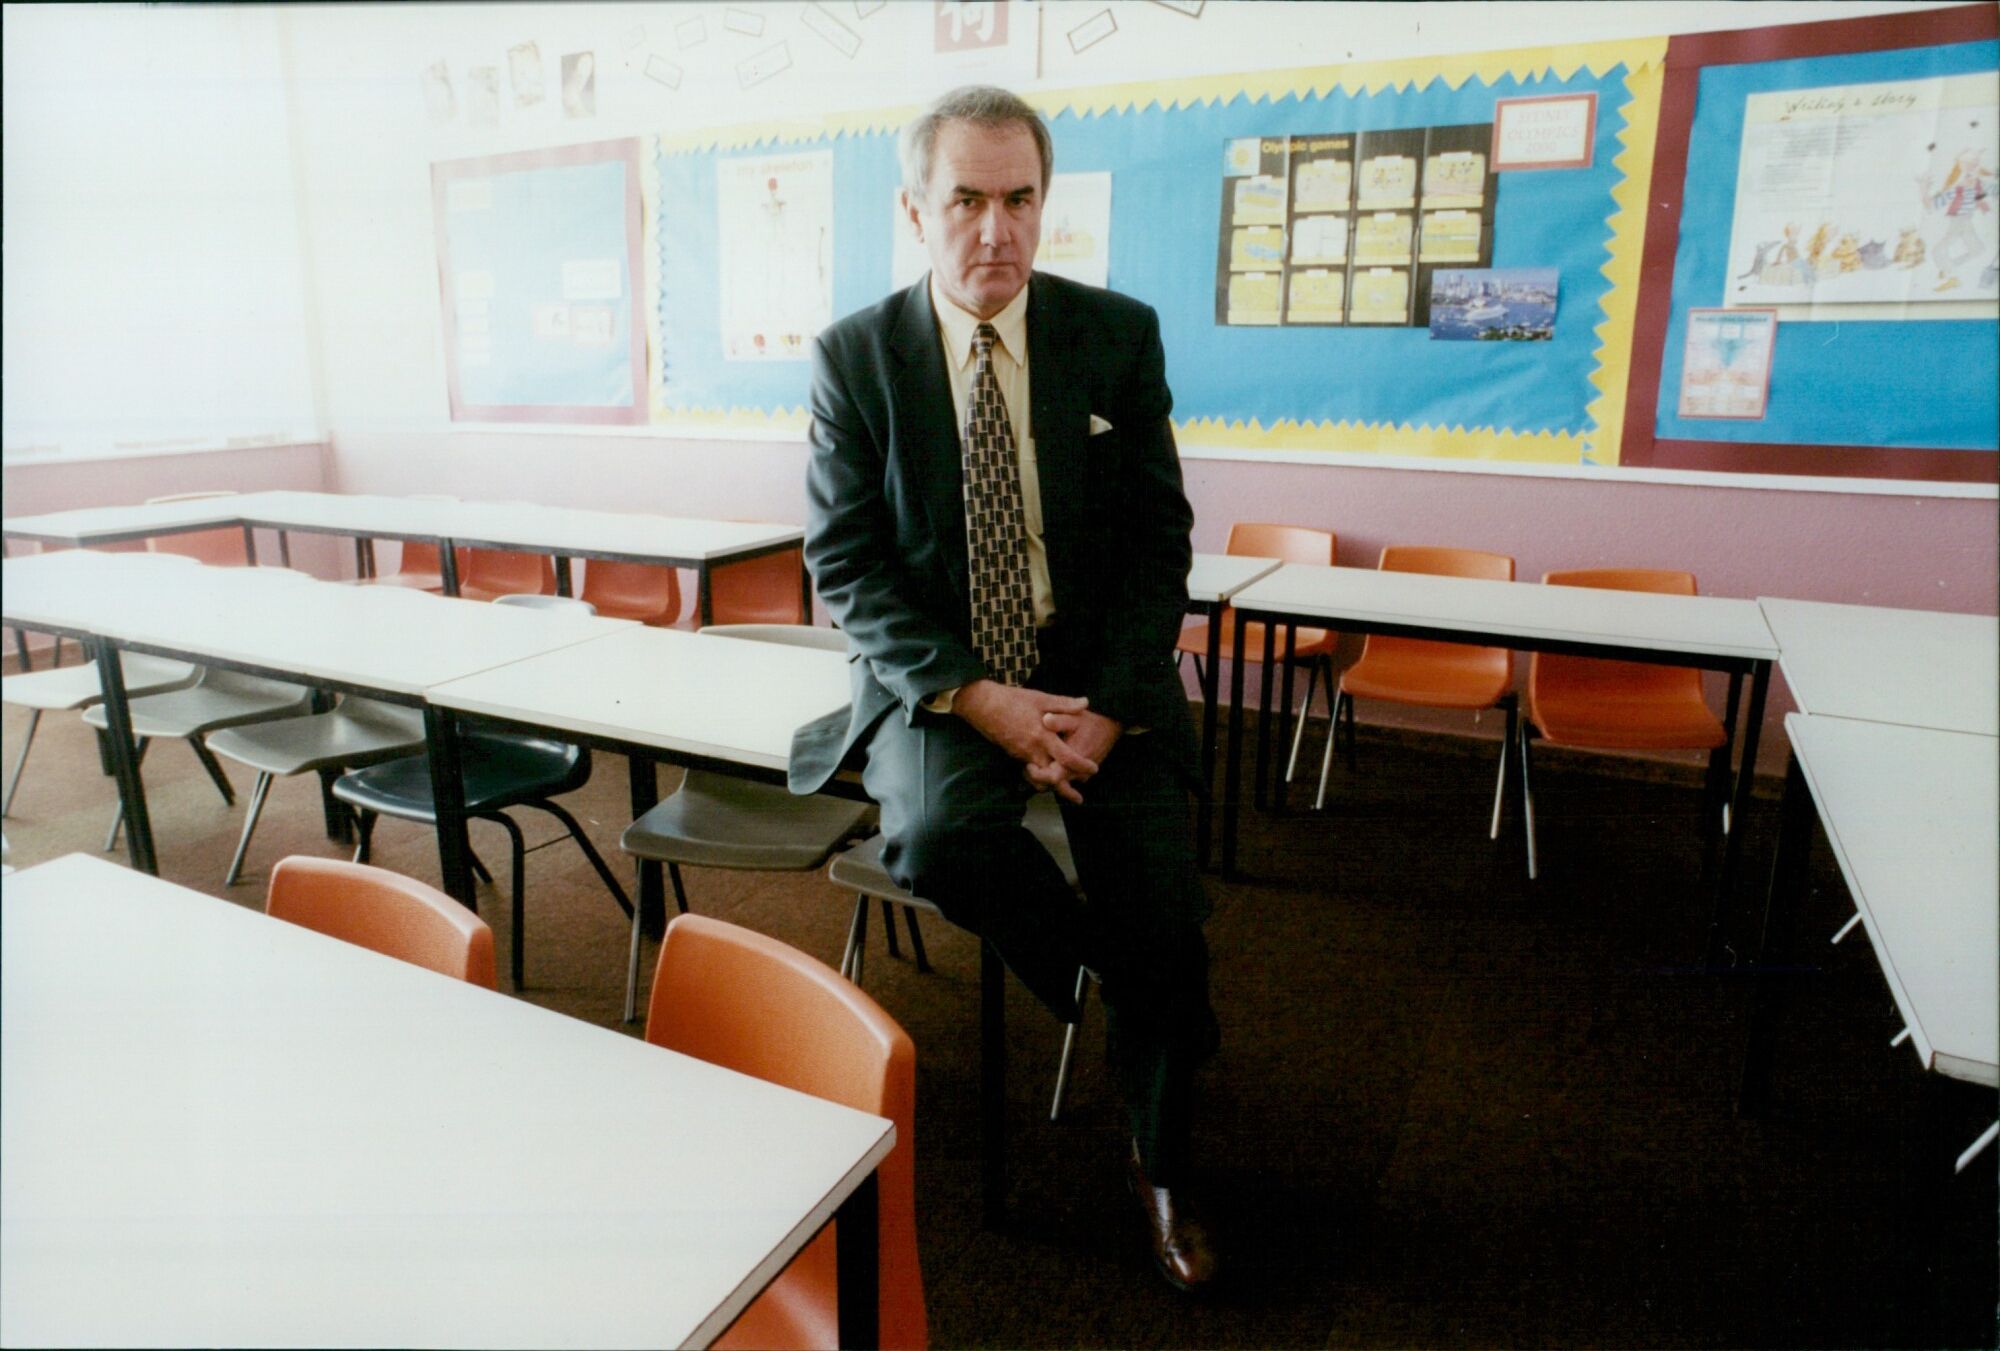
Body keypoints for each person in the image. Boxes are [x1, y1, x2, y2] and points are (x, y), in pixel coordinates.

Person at [789, 85, 1220, 1292]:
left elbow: (1154, 543)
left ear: (1044, 202)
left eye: (1019, 199)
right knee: (932, 836)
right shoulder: (855, 358)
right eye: (966, 200)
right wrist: (977, 696)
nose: (996, 229)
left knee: (1161, 895)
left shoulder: (1114, 336)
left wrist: (1115, 704)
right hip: (944, 682)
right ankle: (1107, 974)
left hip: (1096, 686)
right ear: (915, 210)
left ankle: (1163, 1162)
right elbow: (848, 566)